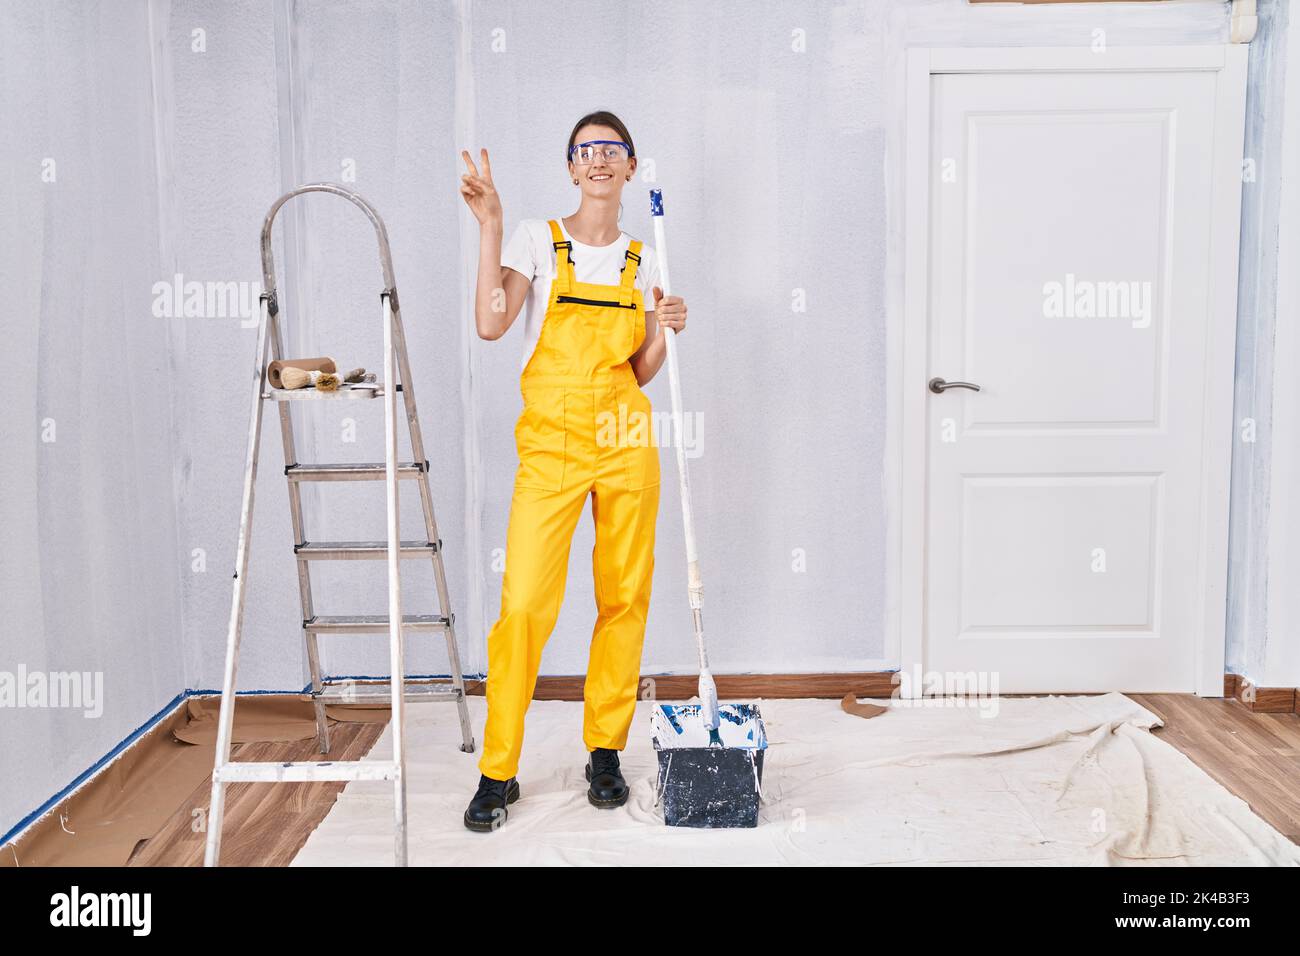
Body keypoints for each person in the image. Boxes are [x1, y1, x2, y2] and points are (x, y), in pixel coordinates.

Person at [458, 111, 688, 831]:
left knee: (624, 596)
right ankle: (498, 769)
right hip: (552, 442)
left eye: (611, 149)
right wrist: (490, 226)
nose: (599, 159)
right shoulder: (536, 239)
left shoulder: (644, 259)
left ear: (630, 166)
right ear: (571, 167)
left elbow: (639, 371)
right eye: (586, 150)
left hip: (625, 436)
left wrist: (665, 329)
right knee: (525, 603)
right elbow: (491, 323)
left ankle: (605, 752)